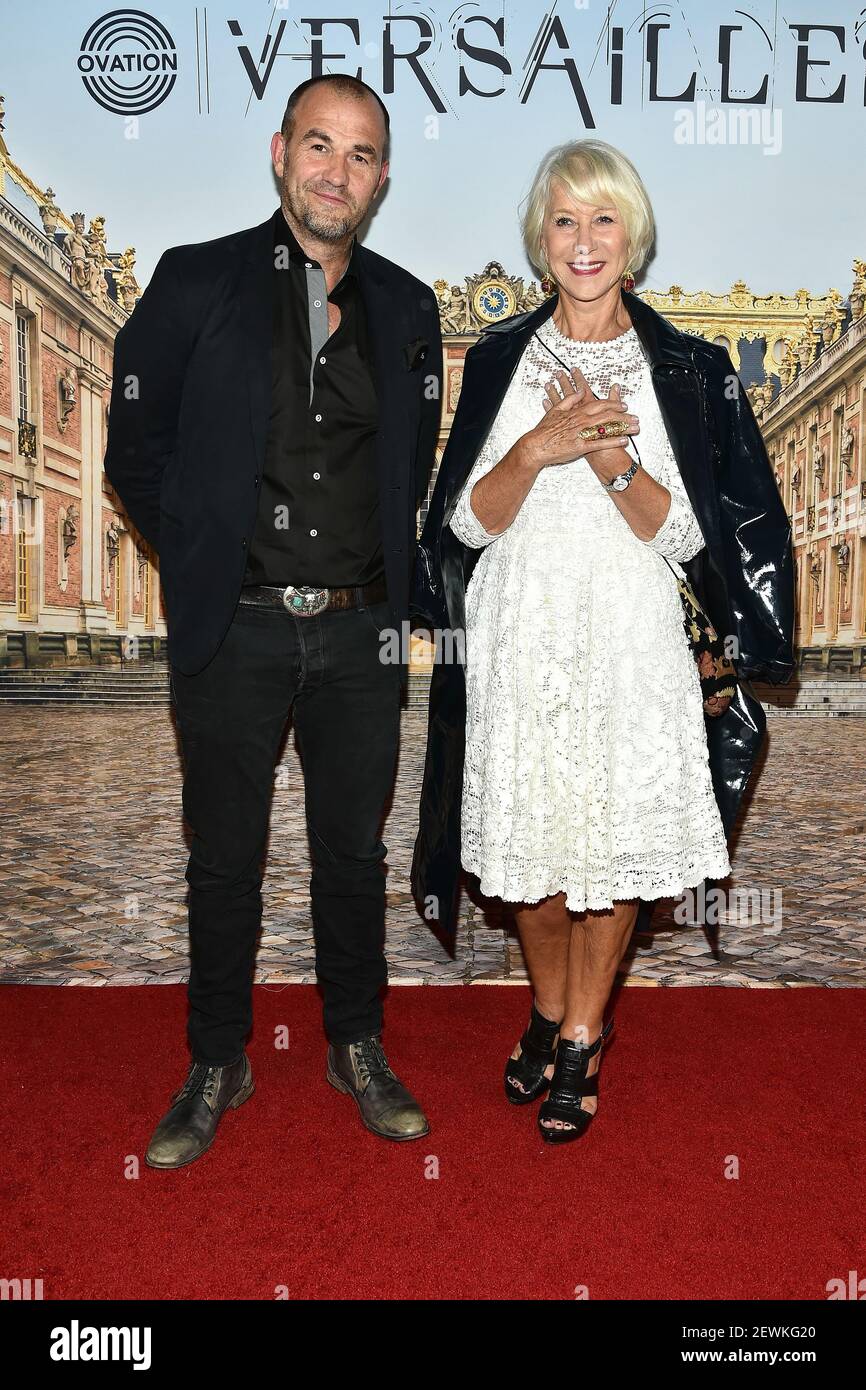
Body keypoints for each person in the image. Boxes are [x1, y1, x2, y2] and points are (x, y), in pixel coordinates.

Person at [410, 139, 793, 1144]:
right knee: (529, 866)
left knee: (613, 858)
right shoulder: (499, 360)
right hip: (520, 633)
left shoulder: (686, 368)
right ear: (541, 240)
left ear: (633, 238)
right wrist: (536, 450)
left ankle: (581, 1034)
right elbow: (459, 527)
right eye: (564, 220)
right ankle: (544, 1004)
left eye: (603, 220)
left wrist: (618, 463)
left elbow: (694, 535)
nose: (583, 241)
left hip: (627, 636)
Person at [105, 74, 443, 1166]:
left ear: (380, 177)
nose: (334, 171)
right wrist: (203, 561)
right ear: (278, 151)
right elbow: (133, 454)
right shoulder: (194, 282)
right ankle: (218, 1059)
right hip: (235, 628)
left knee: (351, 853)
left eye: (358, 154)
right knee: (224, 860)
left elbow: (410, 470)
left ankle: (355, 1044)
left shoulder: (407, 309)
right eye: (317, 145)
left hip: (358, 633)